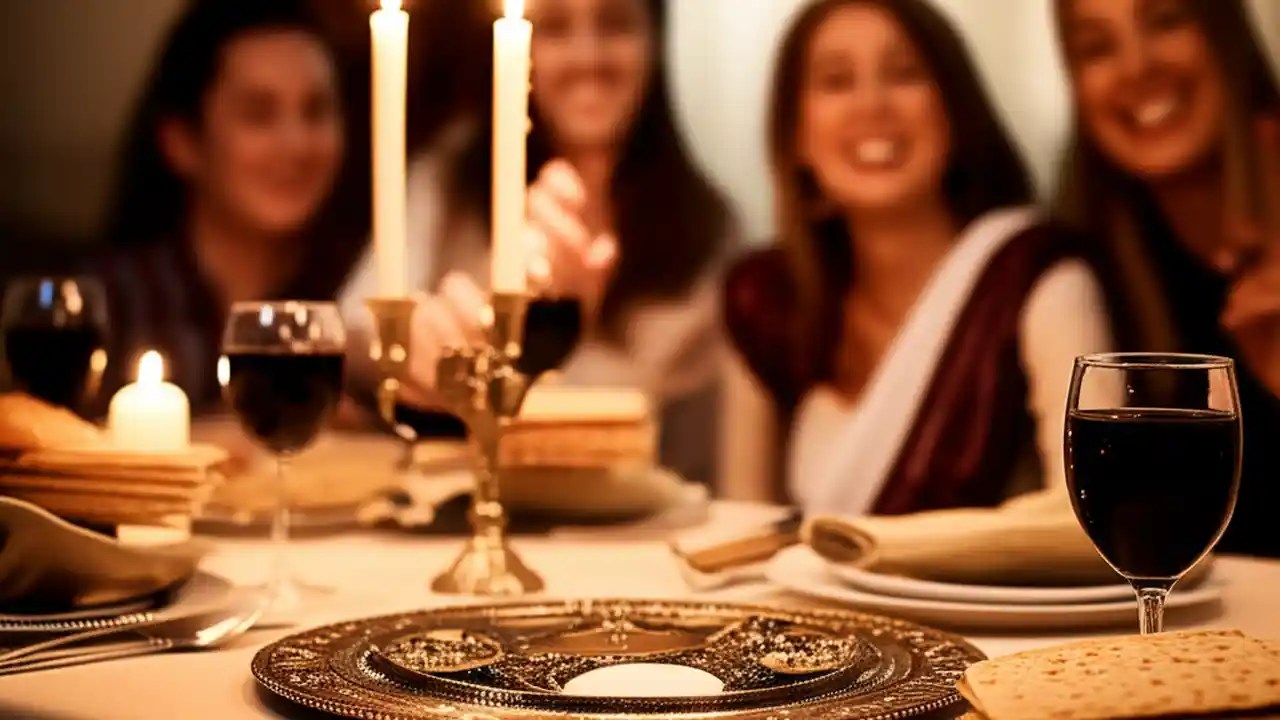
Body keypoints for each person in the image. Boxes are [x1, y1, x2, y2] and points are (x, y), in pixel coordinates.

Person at [720, 0, 1114, 513]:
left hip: (995, 594)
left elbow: (1096, 517)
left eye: (905, 74)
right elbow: (742, 525)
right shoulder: (769, 297)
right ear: (796, 137)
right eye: (837, 81)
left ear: (953, 106)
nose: (873, 105)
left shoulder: (1036, 276)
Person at [342, 0, 738, 484]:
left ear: (654, 44)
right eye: (554, 28)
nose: (586, 56)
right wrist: (432, 333)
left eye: (614, 25)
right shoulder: (450, 184)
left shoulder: (707, 229)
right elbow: (356, 336)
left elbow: (707, 449)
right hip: (467, 502)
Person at [1054, 0, 1280, 557]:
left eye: (1166, 22)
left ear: (1226, 37)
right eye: (1097, 48)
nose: (1137, 68)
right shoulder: (1078, 265)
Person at [97, 0, 358, 413]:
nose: (297, 145)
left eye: (316, 110)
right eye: (259, 114)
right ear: (181, 141)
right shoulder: (110, 306)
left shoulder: (362, 298)